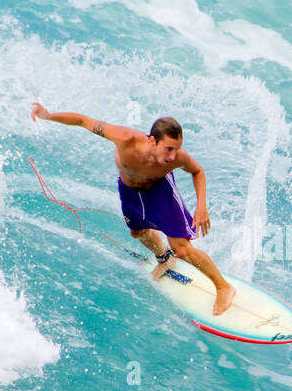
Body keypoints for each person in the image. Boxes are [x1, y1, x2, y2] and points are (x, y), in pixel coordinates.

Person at [30, 103, 236, 315]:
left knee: (182, 248)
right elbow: (83, 121)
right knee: (137, 232)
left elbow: (198, 171)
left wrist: (201, 206)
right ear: (152, 140)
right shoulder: (125, 138)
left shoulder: (178, 158)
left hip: (160, 190)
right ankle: (165, 259)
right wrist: (48, 116)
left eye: (177, 148)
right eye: (168, 149)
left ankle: (223, 287)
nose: (174, 156)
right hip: (130, 191)